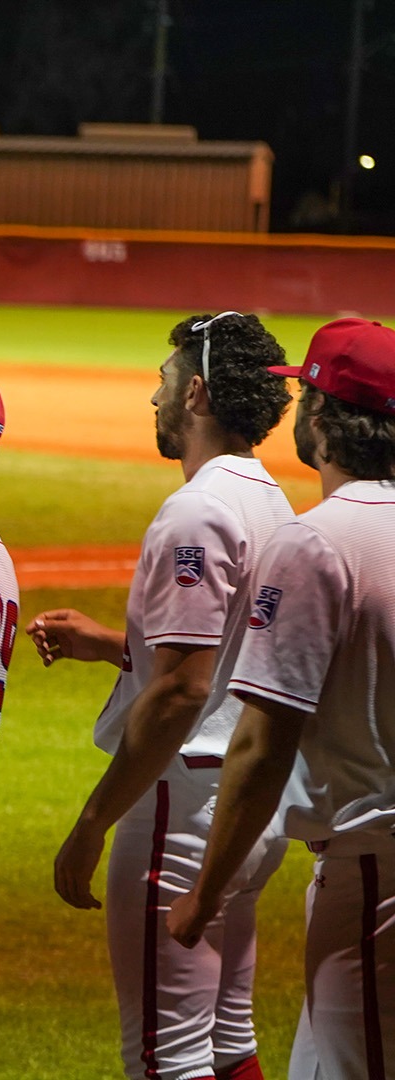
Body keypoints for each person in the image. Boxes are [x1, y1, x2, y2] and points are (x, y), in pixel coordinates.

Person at [26, 312, 293, 1080]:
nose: (154, 393)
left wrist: (92, 820)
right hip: (249, 799)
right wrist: (116, 645)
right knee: (228, 1038)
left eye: (166, 378)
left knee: (165, 1057)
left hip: (183, 803)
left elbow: (182, 690)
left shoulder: (199, 510)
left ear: (199, 394)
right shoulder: (273, 501)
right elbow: (240, 655)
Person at [169, 318, 395, 1079]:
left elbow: (263, 743)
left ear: (325, 419)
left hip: (371, 872)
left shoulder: (318, 543)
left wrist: (205, 893)